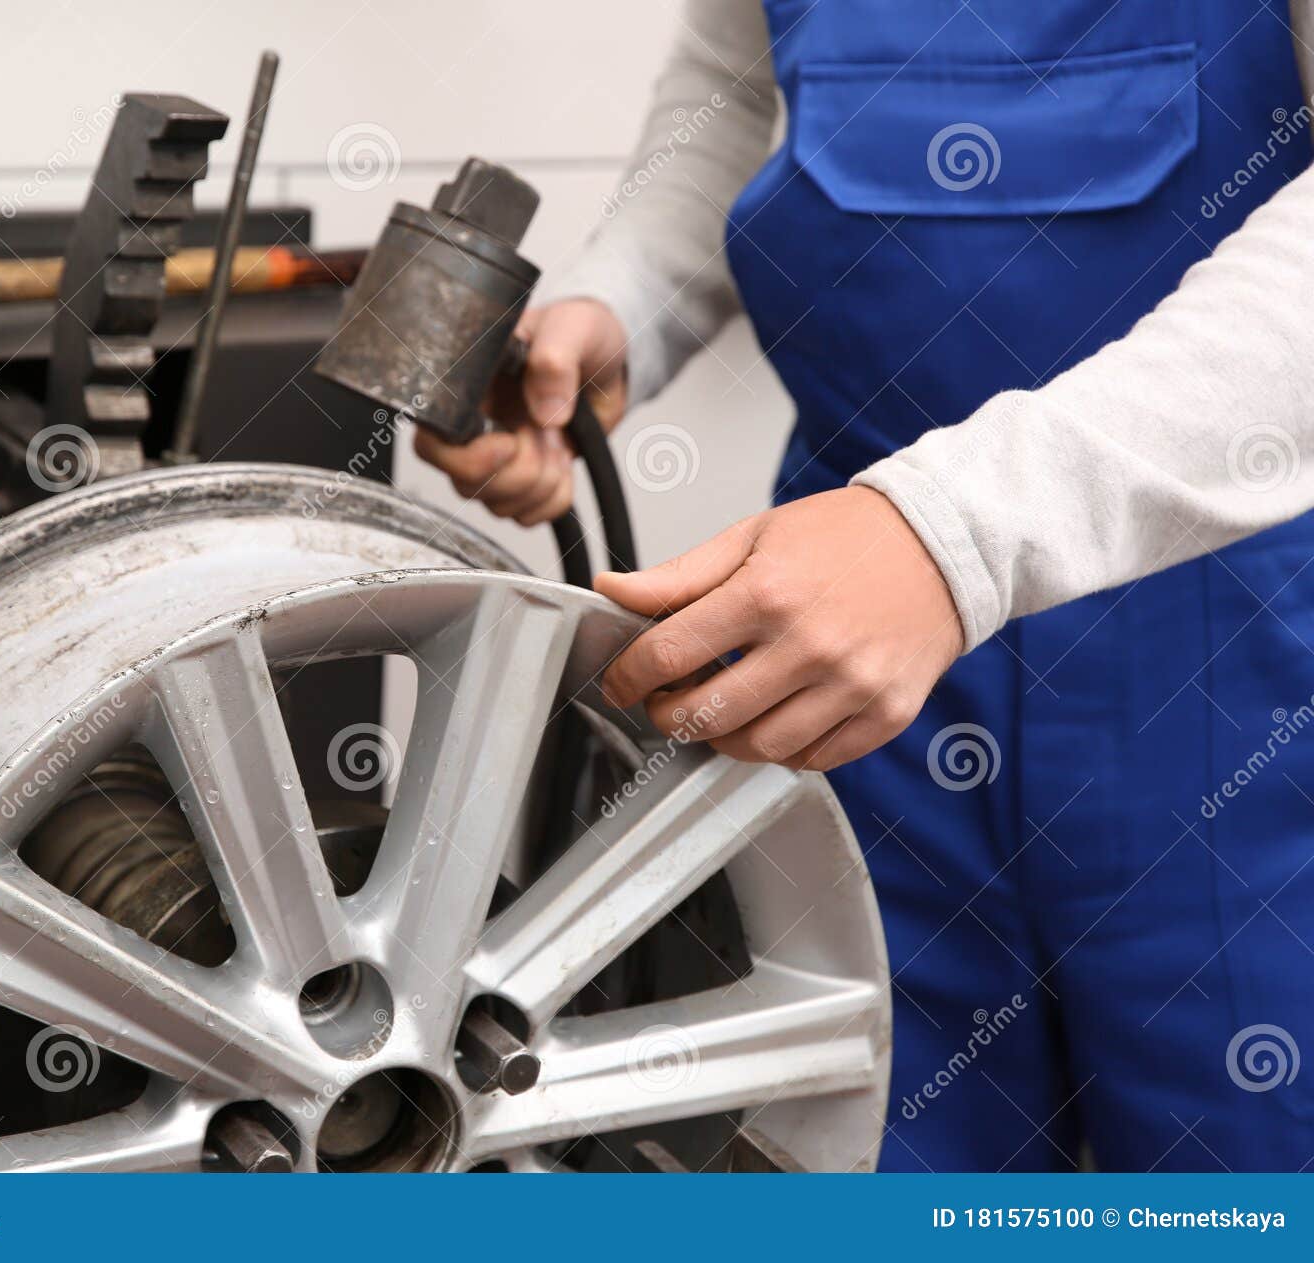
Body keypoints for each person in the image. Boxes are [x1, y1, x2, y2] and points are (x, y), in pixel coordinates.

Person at [418, 0, 1314, 1171]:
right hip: (841, 656)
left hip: (1227, 661)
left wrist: (955, 538)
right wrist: (617, 305)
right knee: (869, 1157)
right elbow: (744, 100)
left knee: (1242, 1170)